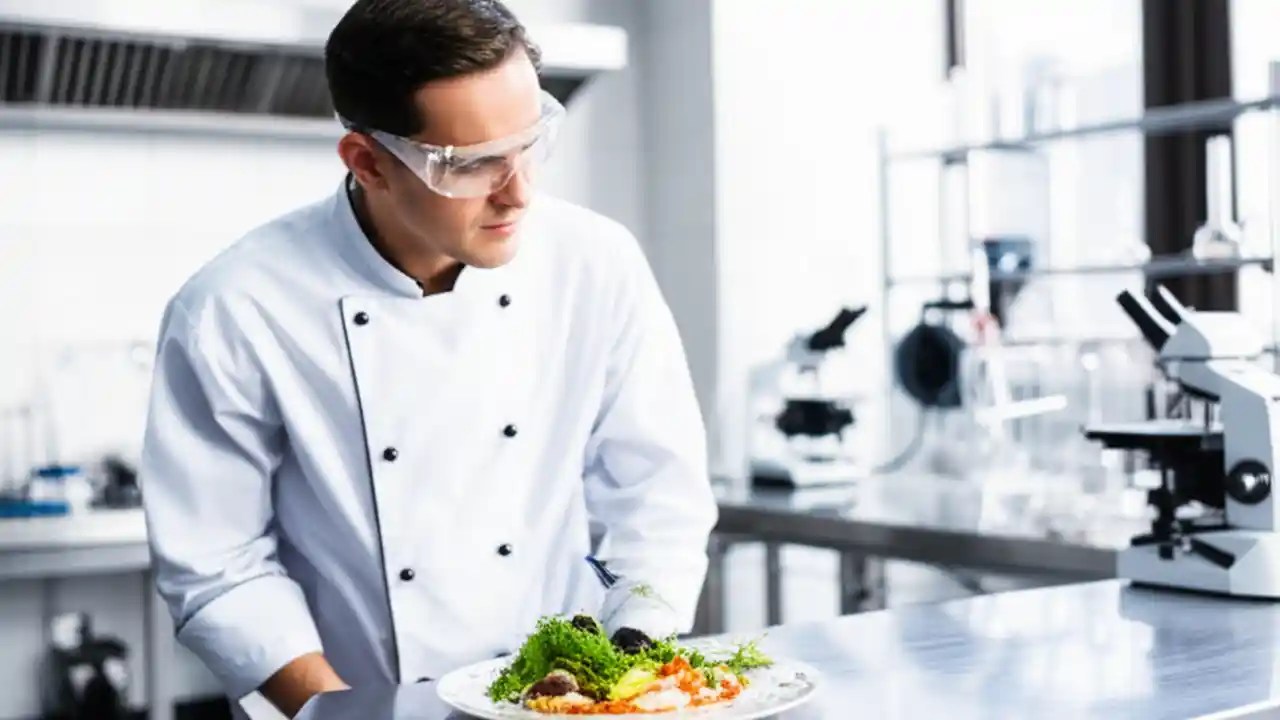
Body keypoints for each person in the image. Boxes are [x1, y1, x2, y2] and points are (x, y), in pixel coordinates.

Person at [137, 0, 717, 716]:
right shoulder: (236, 307)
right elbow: (218, 565)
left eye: (531, 144)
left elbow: (658, 499)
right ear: (369, 163)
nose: (519, 192)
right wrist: (345, 711)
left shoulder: (596, 264)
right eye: (474, 165)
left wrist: (619, 676)